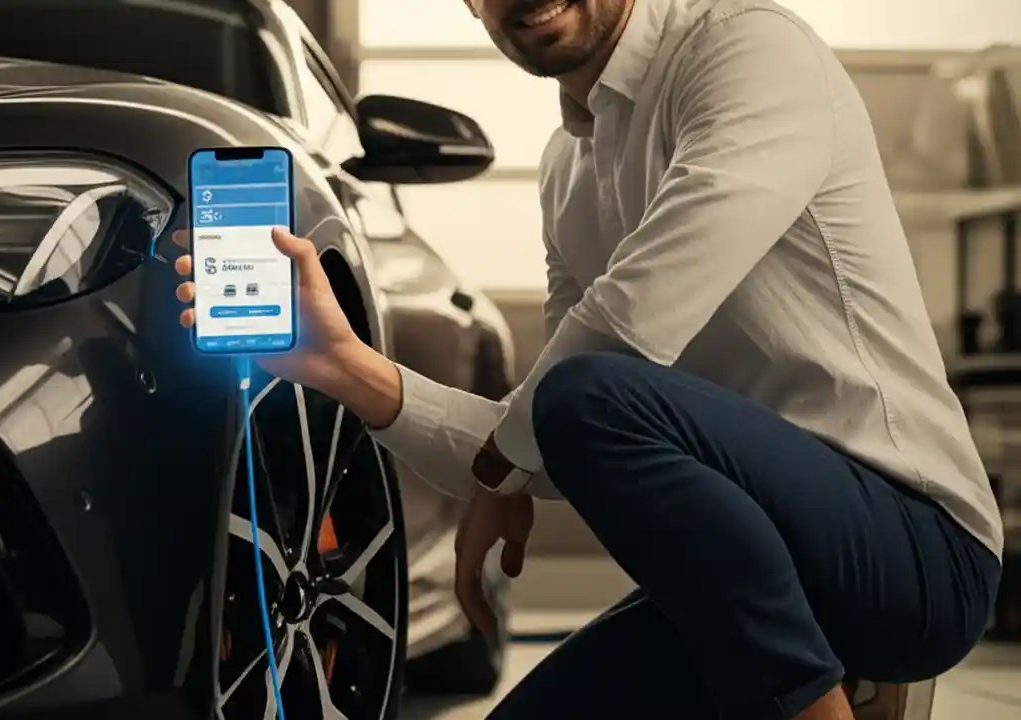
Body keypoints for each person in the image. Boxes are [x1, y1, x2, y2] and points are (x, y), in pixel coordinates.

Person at [173, 0, 1004, 717]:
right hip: (753, 576)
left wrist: (503, 474)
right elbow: (555, 439)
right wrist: (340, 363)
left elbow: (620, 340)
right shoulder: (566, 171)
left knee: (582, 395)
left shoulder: (747, 49)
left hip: (915, 550)